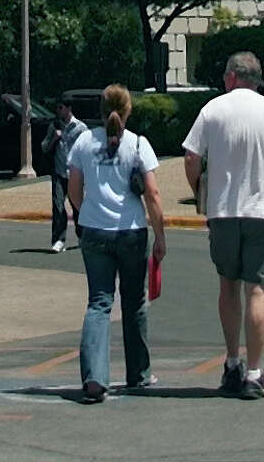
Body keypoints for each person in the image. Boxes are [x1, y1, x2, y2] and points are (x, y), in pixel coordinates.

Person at [182, 50, 264, 401]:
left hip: (223, 211)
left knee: (228, 285)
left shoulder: (213, 110)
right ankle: (254, 372)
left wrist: (199, 189)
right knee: (257, 290)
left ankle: (232, 362)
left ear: (232, 77)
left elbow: (191, 157)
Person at [67, 83, 167, 401]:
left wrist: (85, 211)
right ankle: (138, 373)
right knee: (134, 302)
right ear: (128, 111)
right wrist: (160, 234)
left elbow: (73, 188)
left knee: (99, 302)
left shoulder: (84, 142)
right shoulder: (137, 144)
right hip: (131, 231)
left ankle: (95, 378)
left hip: (94, 230)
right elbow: (152, 193)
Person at [42, 95, 88, 251]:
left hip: (75, 174)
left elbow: (88, 150)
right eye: (57, 107)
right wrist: (54, 138)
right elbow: (44, 147)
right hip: (59, 171)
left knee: (77, 207)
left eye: (61, 107)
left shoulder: (81, 128)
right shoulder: (54, 126)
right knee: (58, 206)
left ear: (69, 108)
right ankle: (58, 240)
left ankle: (82, 236)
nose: (58, 110)